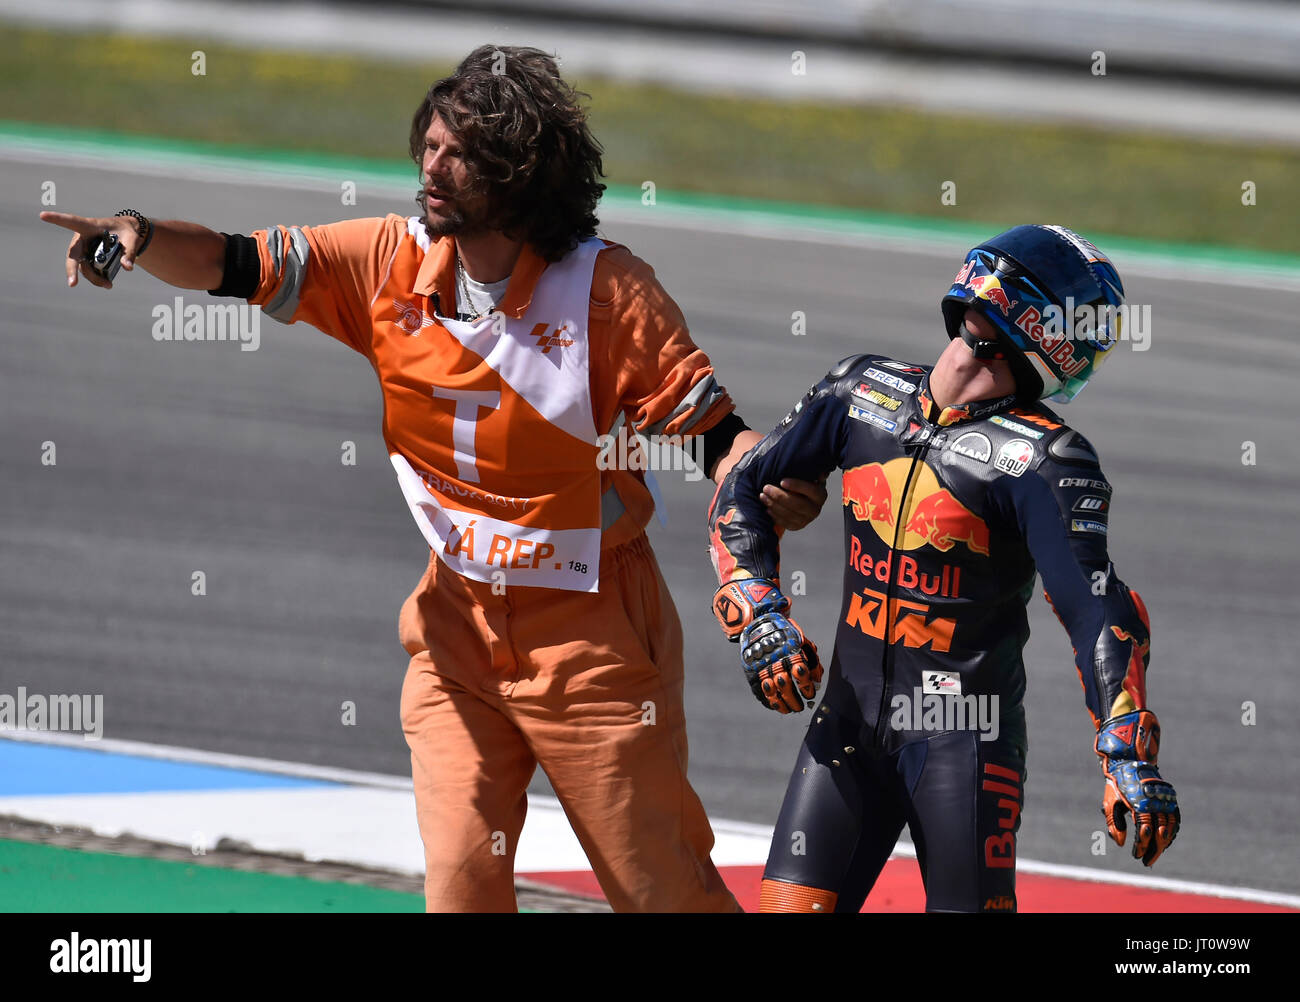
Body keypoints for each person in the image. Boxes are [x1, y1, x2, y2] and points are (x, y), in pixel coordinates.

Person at [40, 45, 828, 912]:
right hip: (455, 629)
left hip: (593, 640)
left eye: (459, 153)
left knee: (661, 891)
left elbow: (717, 437)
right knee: (458, 881)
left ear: (520, 174)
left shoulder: (610, 295)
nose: (431, 163)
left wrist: (768, 481)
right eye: (429, 143)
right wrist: (140, 235)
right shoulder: (385, 261)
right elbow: (233, 262)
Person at [706, 224, 1181, 913]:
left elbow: (1097, 605)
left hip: (965, 746)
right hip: (845, 724)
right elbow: (744, 488)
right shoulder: (857, 390)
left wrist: (1127, 747)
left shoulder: (1049, 460)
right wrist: (757, 612)